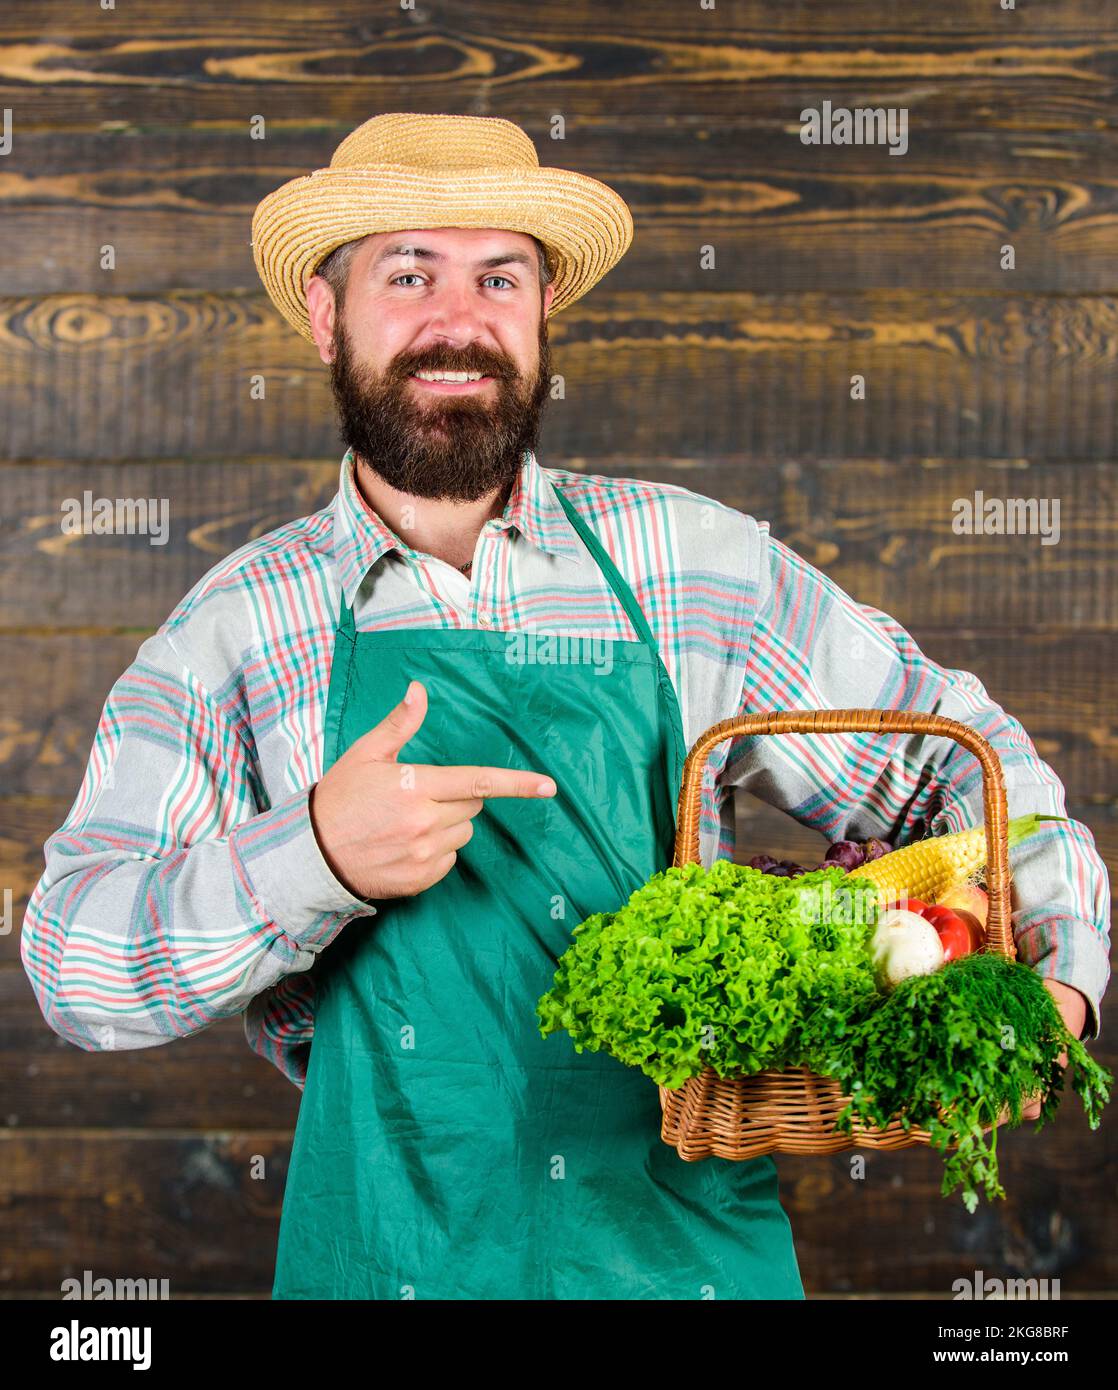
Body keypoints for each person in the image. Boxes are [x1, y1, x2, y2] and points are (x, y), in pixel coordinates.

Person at [21, 112, 1110, 1300]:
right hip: (388, 1259)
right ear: (328, 317)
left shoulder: (694, 566)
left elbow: (966, 765)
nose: (458, 320)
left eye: (500, 276)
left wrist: (1054, 977)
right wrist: (313, 853)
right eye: (407, 273)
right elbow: (75, 963)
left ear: (542, 316)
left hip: (686, 1263)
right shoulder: (242, 625)